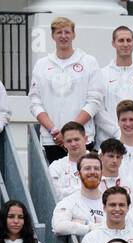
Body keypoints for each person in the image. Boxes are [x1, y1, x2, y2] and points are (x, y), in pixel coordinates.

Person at [29, 18, 104, 163]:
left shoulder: (89, 62)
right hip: (52, 139)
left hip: (81, 138)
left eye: (67, 32)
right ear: (52, 36)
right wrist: (54, 131)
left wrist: (70, 132)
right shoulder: (41, 65)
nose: (63, 36)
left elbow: (94, 100)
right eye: (59, 32)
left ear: (73, 35)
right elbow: (35, 102)